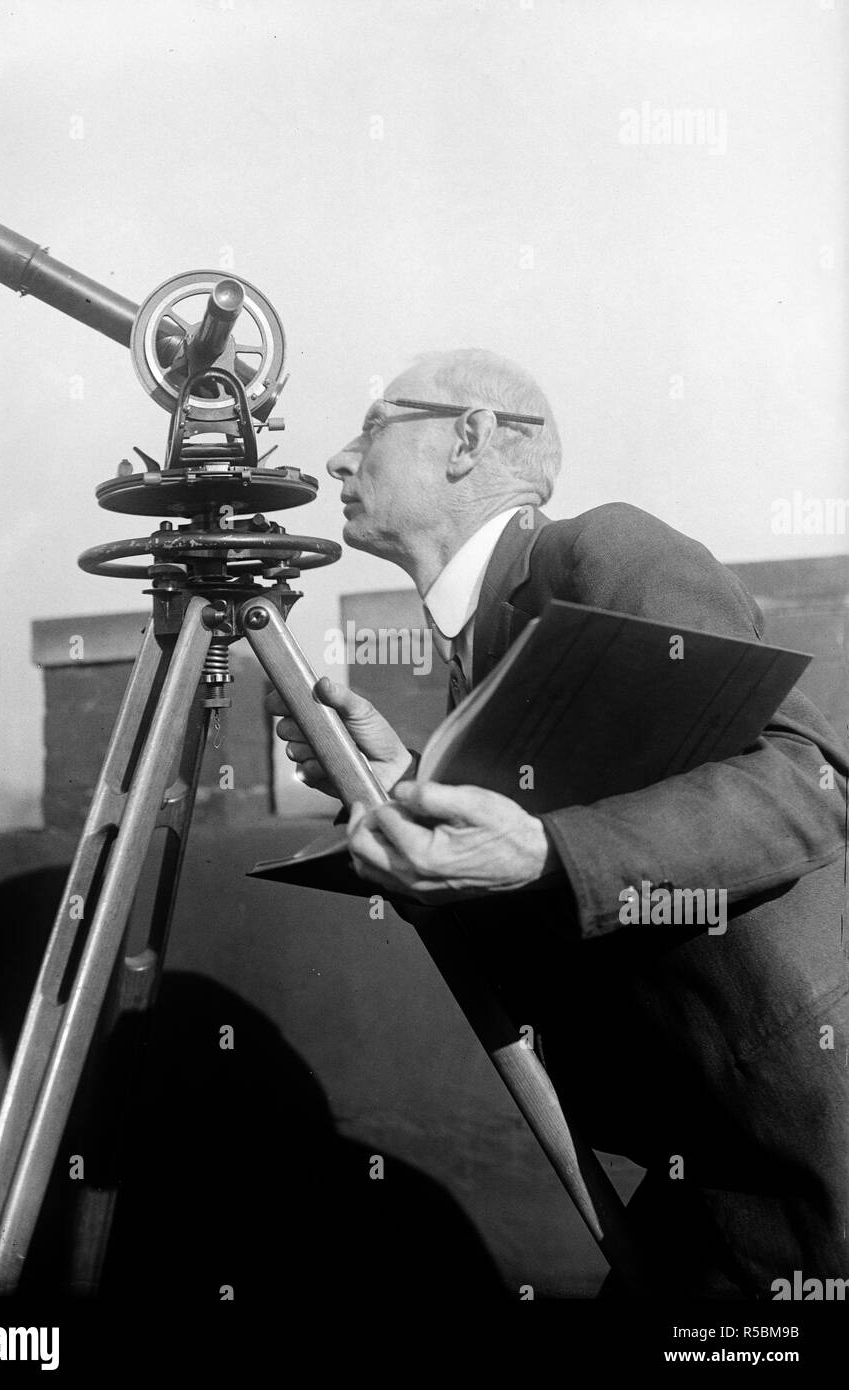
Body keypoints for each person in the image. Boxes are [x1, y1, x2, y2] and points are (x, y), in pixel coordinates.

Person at [265, 348, 848, 1298]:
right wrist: (408, 787)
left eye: (372, 428)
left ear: (469, 438)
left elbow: (802, 780)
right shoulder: (482, 639)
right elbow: (565, 863)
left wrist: (540, 846)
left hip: (813, 1144)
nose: (337, 460)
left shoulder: (598, 551)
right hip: (707, 1170)